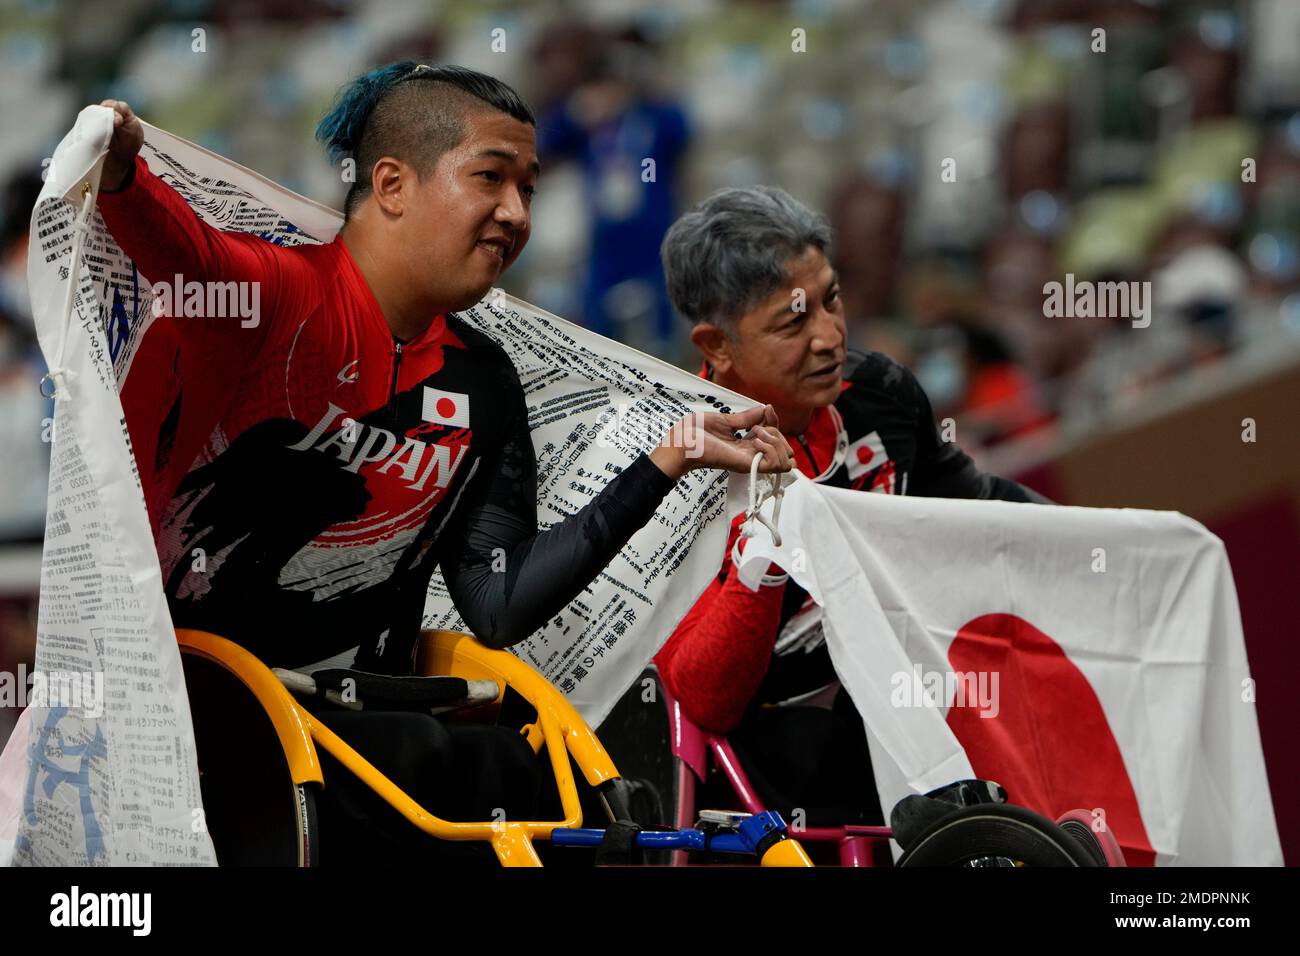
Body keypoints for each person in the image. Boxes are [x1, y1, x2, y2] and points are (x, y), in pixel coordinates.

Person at [93, 63, 792, 864]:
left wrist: (666, 461)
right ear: (390, 183)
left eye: (530, 187)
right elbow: (178, 252)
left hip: (368, 717)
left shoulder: (484, 379)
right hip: (208, 712)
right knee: (426, 755)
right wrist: (120, 173)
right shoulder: (274, 298)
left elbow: (495, 601)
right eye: (491, 178)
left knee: (513, 764)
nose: (517, 214)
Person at [653, 185, 1048, 835]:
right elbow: (705, 699)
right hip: (767, 744)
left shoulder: (882, 395)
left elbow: (977, 508)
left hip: (903, 695)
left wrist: (1102, 539)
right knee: (835, 740)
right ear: (716, 346)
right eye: (792, 323)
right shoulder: (678, 463)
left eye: (831, 300)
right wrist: (773, 536)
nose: (829, 337)